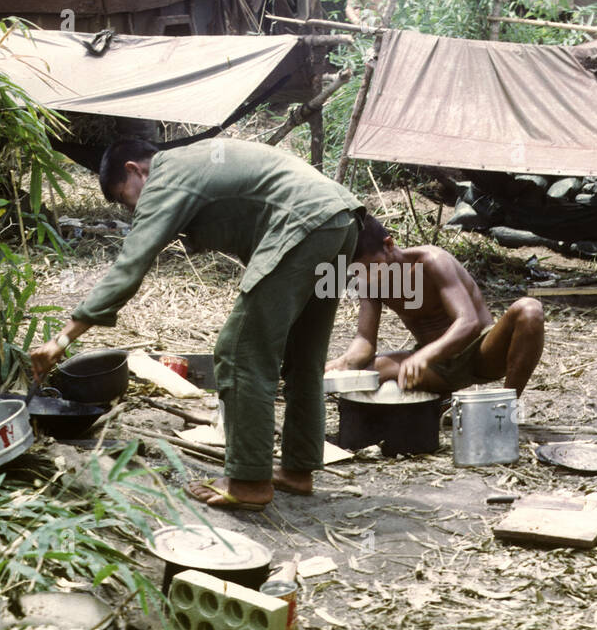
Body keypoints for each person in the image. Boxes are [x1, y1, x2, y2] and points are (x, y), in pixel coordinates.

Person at [30, 136, 363, 511]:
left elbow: (130, 265)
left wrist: (62, 338)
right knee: (304, 354)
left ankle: (249, 482)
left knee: (239, 351)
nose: (134, 207)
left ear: (135, 170)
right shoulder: (194, 165)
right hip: (341, 221)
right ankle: (298, 470)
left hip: (305, 223)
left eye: (127, 198)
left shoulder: (165, 176)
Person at [325, 215, 544, 395]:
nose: (371, 277)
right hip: (436, 368)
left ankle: (505, 409)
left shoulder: (432, 261)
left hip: (479, 355)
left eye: (374, 267)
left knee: (529, 309)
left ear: (389, 245)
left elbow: (468, 323)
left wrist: (424, 356)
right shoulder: (368, 281)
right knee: (362, 377)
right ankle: (440, 402)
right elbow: (364, 340)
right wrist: (343, 365)